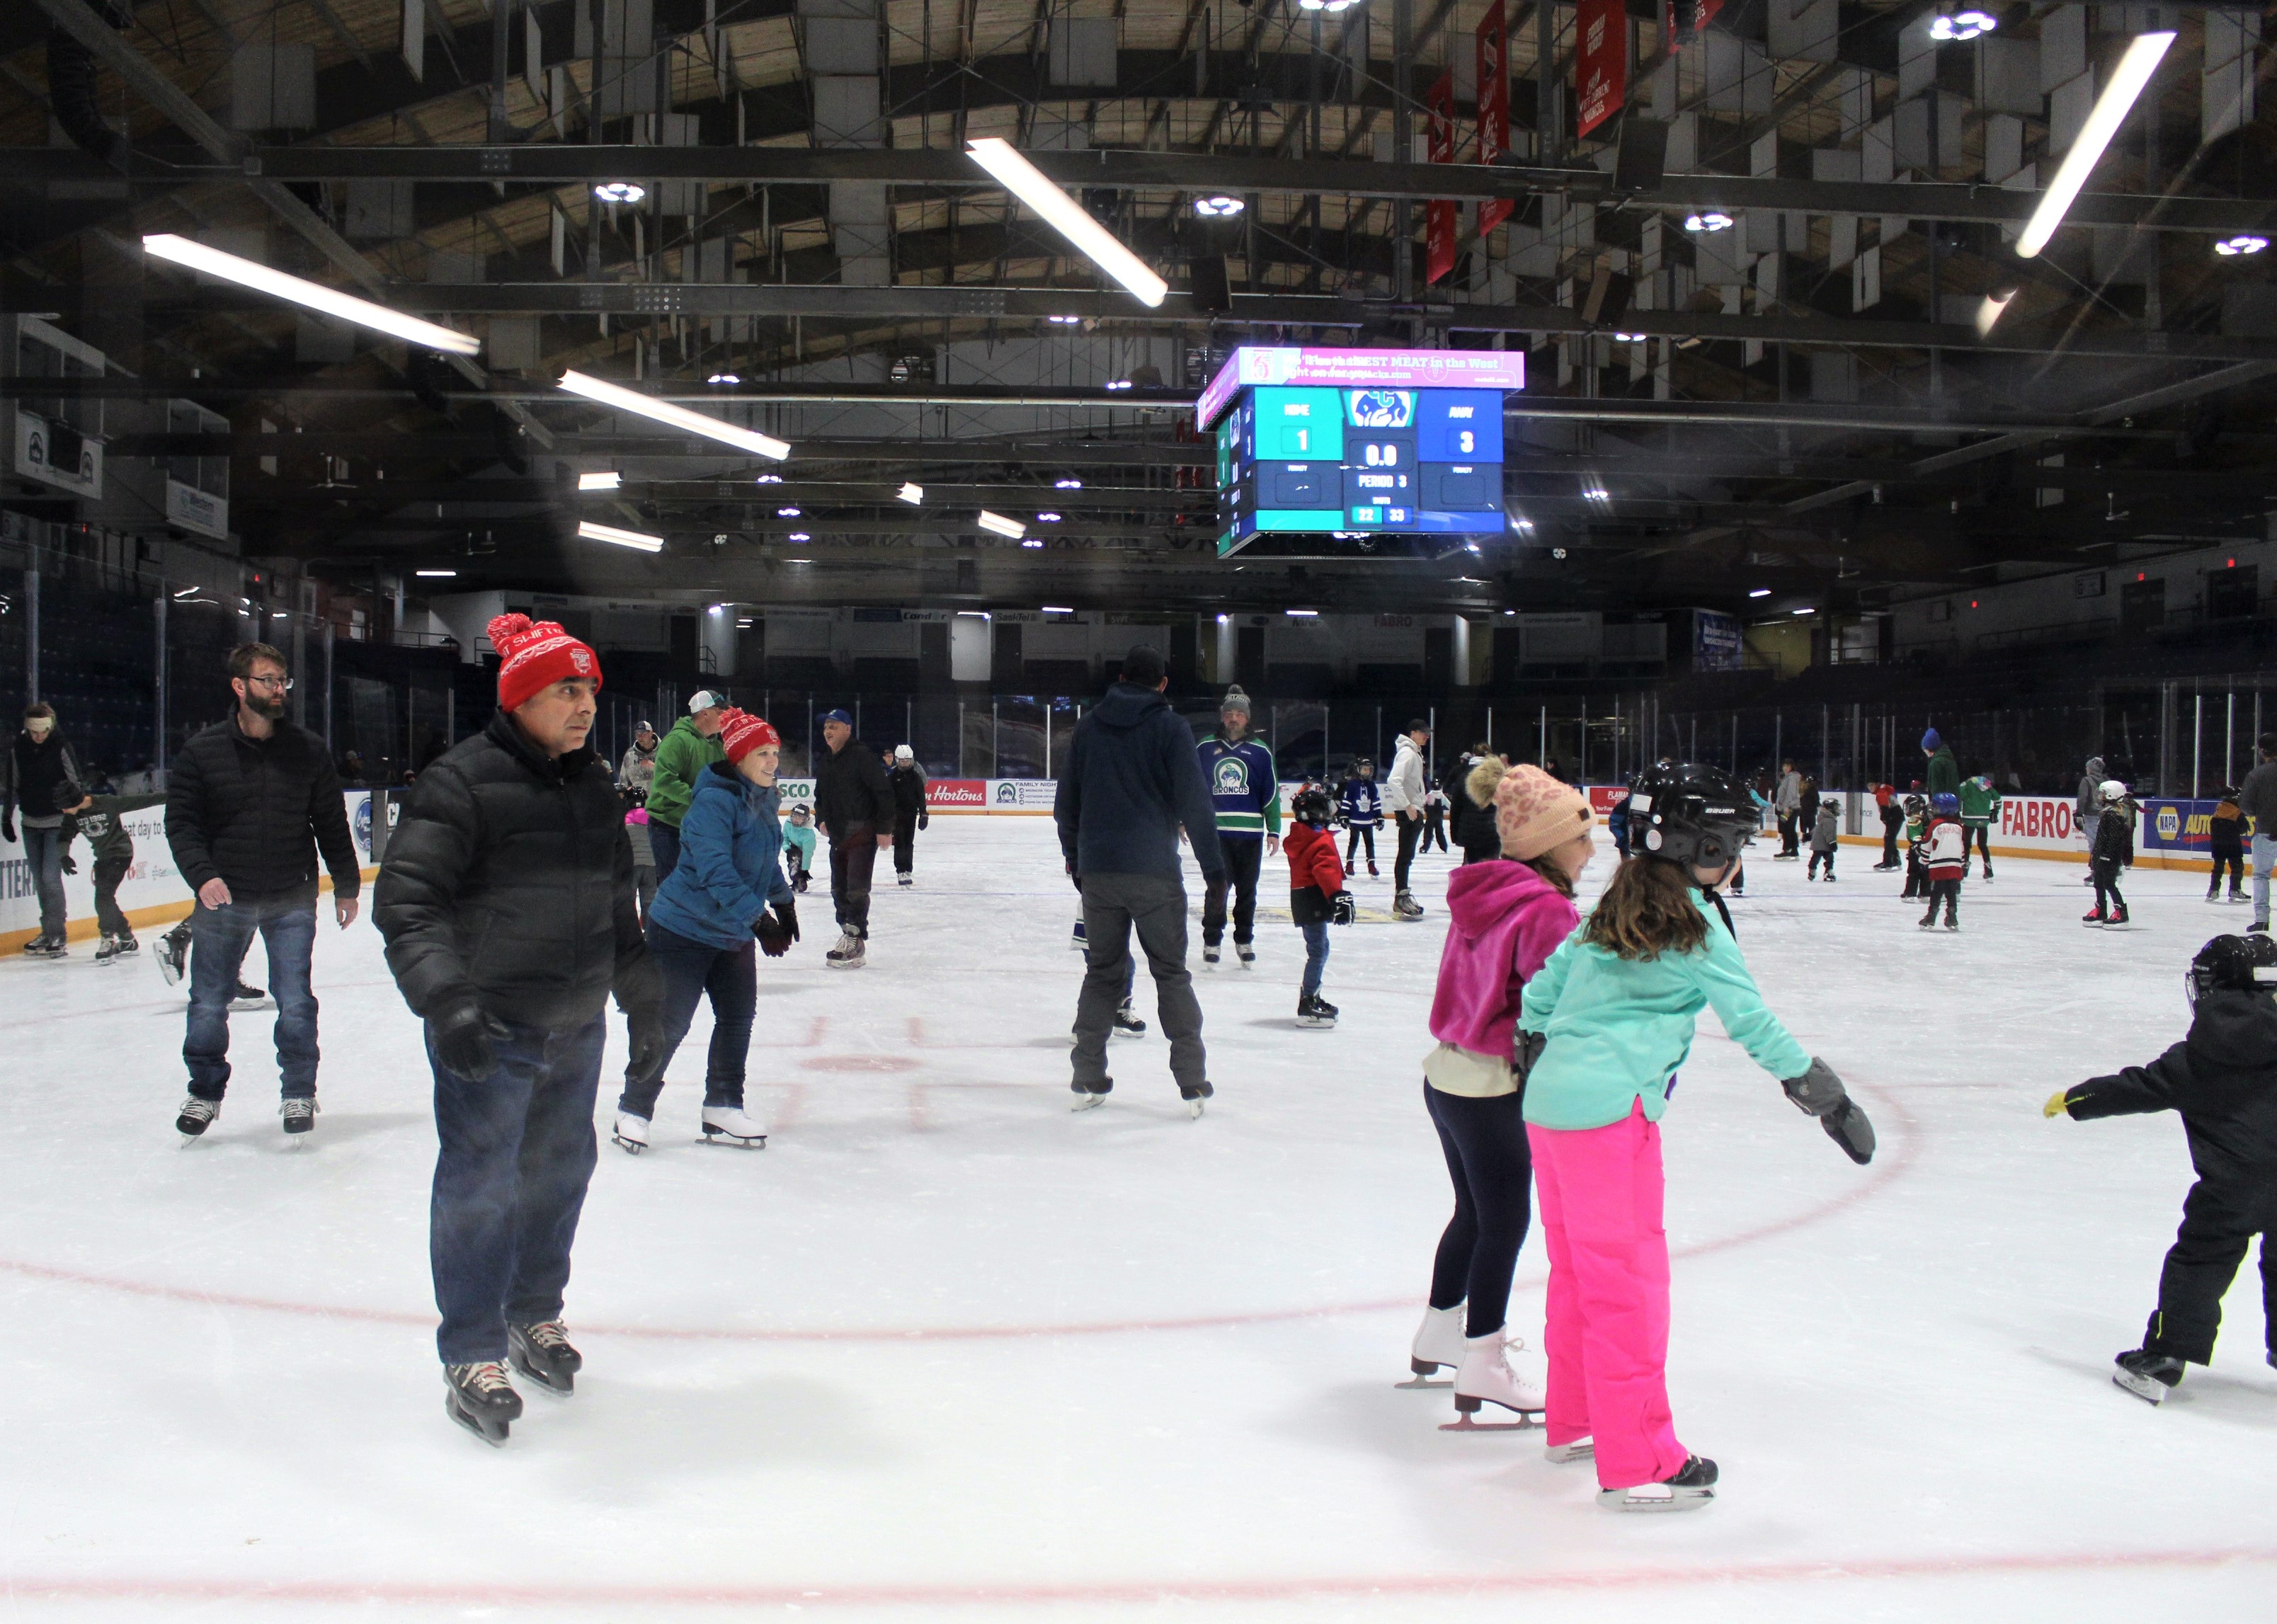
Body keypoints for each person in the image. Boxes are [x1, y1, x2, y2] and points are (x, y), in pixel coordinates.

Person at [1516, 762, 1874, 1511]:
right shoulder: (1697, 920)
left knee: (1580, 1272)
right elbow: (1751, 1020)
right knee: (1629, 1287)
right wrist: (1822, 1092)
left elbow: (1544, 988)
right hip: (1611, 1119)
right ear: (1706, 844)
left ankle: (1576, 1419)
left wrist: (1535, 1047)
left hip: (1550, 1114)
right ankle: (1639, 1458)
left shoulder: (1611, 908)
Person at [372, 614, 663, 1446]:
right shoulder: (459, 783)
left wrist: (641, 996)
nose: (585, 705)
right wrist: (447, 1001)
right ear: (522, 697)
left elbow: (617, 910)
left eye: (589, 690)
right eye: (567, 690)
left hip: (574, 1024)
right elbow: (409, 902)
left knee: (559, 1173)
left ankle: (533, 1313)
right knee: (479, 1183)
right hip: (490, 1026)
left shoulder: (596, 786)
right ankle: (469, 1347)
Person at [1409, 767, 1594, 1426]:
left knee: (1474, 1213)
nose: (1592, 850)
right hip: (1491, 1085)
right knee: (1505, 1222)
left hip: (1447, 1078)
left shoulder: (1486, 892)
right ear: (1549, 844)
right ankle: (1483, 1358)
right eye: (1582, 836)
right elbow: (1560, 1006)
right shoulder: (1547, 909)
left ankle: (1440, 1331)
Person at [2045, 932, 2277, 1405]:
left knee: (2201, 1261)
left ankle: (2167, 1358)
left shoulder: (2200, 1056)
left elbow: (2140, 1087)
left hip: (2233, 1188)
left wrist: (2077, 1100)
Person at [164, 644, 361, 1140]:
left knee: (295, 999)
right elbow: (182, 825)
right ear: (239, 686)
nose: (279, 690)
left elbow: (331, 823)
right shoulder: (203, 752)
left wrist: (347, 884)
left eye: (283, 681)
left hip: (290, 896)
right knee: (209, 1002)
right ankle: (204, 1092)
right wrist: (202, 875)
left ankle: (299, 1090)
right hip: (223, 898)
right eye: (268, 681)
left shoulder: (308, 749)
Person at [612, 709, 797, 1155]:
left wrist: (784, 902)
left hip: (731, 933)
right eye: (762, 753)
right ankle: (633, 1109)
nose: (773, 762)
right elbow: (717, 870)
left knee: (737, 1019)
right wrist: (759, 919)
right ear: (737, 756)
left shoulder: (763, 800)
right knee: (669, 1023)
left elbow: (763, 858)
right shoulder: (714, 802)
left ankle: (723, 1104)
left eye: (775, 753)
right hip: (683, 931)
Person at [1053, 644, 1223, 1116]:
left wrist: (1077, 859)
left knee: (1102, 974)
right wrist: (1214, 870)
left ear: (1122, 678)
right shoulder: (1170, 727)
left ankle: (1087, 1077)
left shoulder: (1088, 727)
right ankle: (1191, 1083)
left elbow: (1065, 805)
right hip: (1154, 875)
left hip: (1101, 874)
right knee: (1171, 975)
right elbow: (1195, 801)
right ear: (1162, 685)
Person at [1197, 686, 1280, 968]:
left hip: (1250, 834)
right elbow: (1192, 788)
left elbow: (1270, 792)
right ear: (1222, 716)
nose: (1234, 719)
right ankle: (1212, 940)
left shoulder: (1260, 751)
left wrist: (1274, 829)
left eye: (1239, 715)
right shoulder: (1205, 747)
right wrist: (1185, 818)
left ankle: (1244, 939)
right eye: (1229, 714)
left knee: (1247, 891)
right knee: (1217, 889)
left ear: (1247, 719)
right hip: (1216, 833)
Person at [4, 703, 89, 957]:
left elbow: (77, 781)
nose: (39, 736)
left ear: (51, 727)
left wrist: (74, 812)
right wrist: (7, 816)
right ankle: (47, 932)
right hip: (30, 822)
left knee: (51, 879)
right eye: (34, 731)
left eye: (43, 731)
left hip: (57, 823)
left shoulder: (61, 745)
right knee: (40, 882)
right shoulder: (19, 748)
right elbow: (13, 782)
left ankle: (58, 934)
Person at [813, 708, 894, 968]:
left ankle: (855, 936)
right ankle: (847, 932)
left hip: (862, 832)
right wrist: (820, 818)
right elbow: (820, 796)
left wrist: (884, 829)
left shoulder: (862, 757)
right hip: (837, 836)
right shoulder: (826, 760)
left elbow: (883, 794)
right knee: (838, 889)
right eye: (826, 726)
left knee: (856, 888)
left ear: (848, 729)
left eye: (834, 726)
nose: (828, 731)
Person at [52, 777, 166, 961]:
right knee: (106, 898)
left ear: (73, 802)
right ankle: (127, 938)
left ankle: (107, 938)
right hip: (103, 858)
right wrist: (64, 856)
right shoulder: (72, 817)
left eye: (64, 807)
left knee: (103, 897)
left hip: (121, 855)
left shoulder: (107, 803)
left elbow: (142, 800)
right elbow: (64, 837)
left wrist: (174, 795)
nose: (63, 811)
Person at [1282, 784, 1352, 1027]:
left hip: (1304, 897)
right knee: (1318, 950)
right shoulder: (1319, 839)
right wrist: (1337, 895)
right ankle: (1308, 1000)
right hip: (1313, 896)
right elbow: (1325, 869)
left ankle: (1312, 995)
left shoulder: (1302, 836)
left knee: (1320, 946)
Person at [647, 691, 729, 884]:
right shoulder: (677, 741)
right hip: (669, 826)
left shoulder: (717, 747)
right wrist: (698, 798)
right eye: (720, 712)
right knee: (673, 886)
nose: (725, 717)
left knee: (697, 885)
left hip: (698, 826)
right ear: (705, 713)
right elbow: (664, 781)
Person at [1384, 719, 1432, 920]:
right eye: (1423, 732)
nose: (1427, 736)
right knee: (1405, 855)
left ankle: (1402, 894)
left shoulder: (1414, 753)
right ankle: (1401, 896)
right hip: (1409, 813)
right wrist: (1408, 805)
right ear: (1413, 733)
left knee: (1407, 855)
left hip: (1414, 810)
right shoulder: (1407, 753)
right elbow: (1394, 780)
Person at [2239, 737, 2277, 933]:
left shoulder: (2256, 775)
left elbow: (2246, 807)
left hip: (2267, 832)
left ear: (2263, 752)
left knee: (2262, 876)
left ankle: (2262, 920)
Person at [2087, 779, 2135, 930]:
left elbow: (2114, 839)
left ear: (2111, 795)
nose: (2100, 797)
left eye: (2102, 794)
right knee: (2098, 883)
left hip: (2109, 858)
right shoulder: (2108, 813)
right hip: (2102, 857)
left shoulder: (2114, 816)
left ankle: (2121, 913)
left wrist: (2106, 856)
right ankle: (2101, 910)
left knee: (2109, 884)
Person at [1919, 791, 1964, 930]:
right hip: (1955, 863)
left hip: (1939, 863)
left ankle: (1931, 915)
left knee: (1937, 890)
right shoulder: (1959, 825)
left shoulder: (1935, 824)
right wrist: (1961, 863)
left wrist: (1924, 859)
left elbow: (1927, 843)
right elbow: (1962, 846)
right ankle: (1952, 915)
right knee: (1951, 889)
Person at [1454, 753, 1507, 864]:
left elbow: (1456, 808)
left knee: (1474, 868)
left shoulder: (1463, 778)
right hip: (1493, 831)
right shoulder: (1500, 780)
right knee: (1491, 867)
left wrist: (1455, 834)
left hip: (1470, 832)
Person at [888, 744, 928, 887]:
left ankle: (908, 870)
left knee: (909, 843)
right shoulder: (892, 777)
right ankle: (900, 871)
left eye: (908, 760)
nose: (905, 763)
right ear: (897, 760)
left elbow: (921, 796)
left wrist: (924, 814)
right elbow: (887, 798)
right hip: (896, 816)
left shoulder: (916, 777)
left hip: (911, 815)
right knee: (899, 843)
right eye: (902, 761)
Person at [1339, 757, 1381, 877]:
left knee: (1370, 844)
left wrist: (1379, 817)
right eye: (1364, 770)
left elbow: (1376, 802)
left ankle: (1371, 865)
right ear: (1358, 770)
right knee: (1353, 842)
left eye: (1368, 770)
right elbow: (1347, 801)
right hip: (1355, 820)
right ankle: (1350, 865)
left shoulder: (1372, 785)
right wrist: (1344, 816)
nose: (1366, 772)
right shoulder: (1352, 784)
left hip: (1368, 821)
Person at [2208, 786, 2248, 905]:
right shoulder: (2237, 813)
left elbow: (2213, 828)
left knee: (2218, 867)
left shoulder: (2218, 812)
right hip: (2233, 844)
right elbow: (2244, 828)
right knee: (2237, 867)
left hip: (2217, 844)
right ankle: (2235, 889)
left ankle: (2213, 890)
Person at [1958, 774, 2001, 881]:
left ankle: (1965, 867)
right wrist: (1996, 810)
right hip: (1984, 818)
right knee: (1983, 845)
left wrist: (1957, 811)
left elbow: (1958, 796)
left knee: (1966, 844)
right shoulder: (1986, 783)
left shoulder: (1967, 784)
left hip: (1969, 818)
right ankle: (1988, 869)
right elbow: (1998, 799)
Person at [2077, 753, 2109, 889]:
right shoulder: (2107, 781)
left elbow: (2083, 797)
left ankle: (2097, 872)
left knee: (2094, 844)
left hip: (2091, 815)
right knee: (2104, 842)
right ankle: (2105, 870)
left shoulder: (2087, 781)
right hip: (2106, 814)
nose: (2086, 769)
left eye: (2087, 767)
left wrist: (2079, 813)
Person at [617, 721, 658, 800]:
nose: (640, 737)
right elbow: (623, 781)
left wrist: (654, 766)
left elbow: (670, 775)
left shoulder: (663, 751)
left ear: (651, 733)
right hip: (637, 804)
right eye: (637, 734)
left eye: (643, 734)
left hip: (659, 804)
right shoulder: (630, 755)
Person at [782, 803, 817, 893]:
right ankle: (796, 880)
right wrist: (787, 849)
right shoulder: (788, 823)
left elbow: (807, 854)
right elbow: (784, 838)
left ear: (806, 820)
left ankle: (800, 880)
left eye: (800, 818)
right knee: (792, 864)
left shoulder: (808, 834)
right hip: (792, 848)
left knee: (797, 864)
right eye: (795, 816)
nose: (796, 820)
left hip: (803, 850)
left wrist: (805, 869)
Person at [1771, 760, 1802, 858]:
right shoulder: (1788, 777)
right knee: (1790, 828)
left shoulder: (1792, 778)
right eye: (1784, 765)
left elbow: (1791, 793)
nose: (1785, 768)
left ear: (1792, 767)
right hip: (1790, 807)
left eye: (1788, 766)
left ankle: (1787, 849)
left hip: (1790, 808)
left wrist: (1787, 807)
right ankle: (1794, 850)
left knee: (1786, 828)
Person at [1807, 795, 1841, 883]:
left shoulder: (1824, 818)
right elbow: (1829, 833)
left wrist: (1809, 835)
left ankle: (1813, 869)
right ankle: (1828, 871)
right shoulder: (1829, 820)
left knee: (1816, 858)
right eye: (1836, 808)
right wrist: (1832, 843)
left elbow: (1817, 828)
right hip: (1824, 844)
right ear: (1830, 809)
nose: (1838, 810)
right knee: (1828, 858)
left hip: (1819, 844)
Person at [1922, 728, 1961, 800]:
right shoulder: (1949, 758)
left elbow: (1936, 787)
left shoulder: (1936, 763)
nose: (1924, 751)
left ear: (1929, 747)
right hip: (1953, 802)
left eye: (1925, 748)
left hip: (1942, 805)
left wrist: (1935, 804)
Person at [1873, 782, 1903, 870]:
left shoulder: (1881, 793)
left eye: (1872, 785)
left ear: (1877, 785)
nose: (1870, 788)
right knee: (1890, 838)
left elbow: (1885, 808)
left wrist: (1884, 818)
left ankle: (1888, 862)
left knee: (1889, 839)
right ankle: (1895, 860)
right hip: (1896, 817)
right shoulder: (1884, 792)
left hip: (1894, 818)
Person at [1422, 777, 1450, 853]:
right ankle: (1444, 847)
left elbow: (1422, 803)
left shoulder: (1429, 795)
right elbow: (1449, 805)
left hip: (1431, 816)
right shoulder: (1442, 796)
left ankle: (1425, 847)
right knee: (1440, 832)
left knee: (1428, 832)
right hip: (1439, 817)